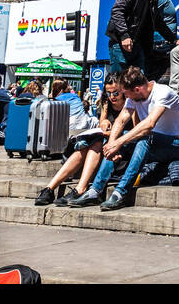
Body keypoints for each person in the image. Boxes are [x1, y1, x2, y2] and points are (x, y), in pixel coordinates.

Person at [70, 66, 179, 210]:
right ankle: (95, 190)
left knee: (144, 137)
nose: (126, 97)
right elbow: (121, 120)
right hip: (154, 144)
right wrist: (111, 146)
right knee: (120, 137)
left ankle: (121, 192)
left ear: (137, 89)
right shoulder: (134, 96)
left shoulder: (163, 93)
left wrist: (119, 143)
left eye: (127, 94)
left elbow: (149, 124)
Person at [42, 74, 129, 207]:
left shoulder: (129, 104)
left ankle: (80, 188)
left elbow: (132, 130)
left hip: (120, 146)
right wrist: (104, 122)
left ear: (122, 91)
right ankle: (49, 188)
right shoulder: (107, 101)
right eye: (109, 92)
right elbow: (102, 122)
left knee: (96, 144)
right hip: (105, 141)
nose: (112, 96)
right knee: (84, 148)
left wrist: (110, 133)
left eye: (116, 93)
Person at [105, 0, 170, 75]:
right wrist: (124, 35)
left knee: (139, 82)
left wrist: (173, 39)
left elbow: (158, 22)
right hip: (120, 44)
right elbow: (117, 11)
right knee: (119, 82)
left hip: (137, 46)